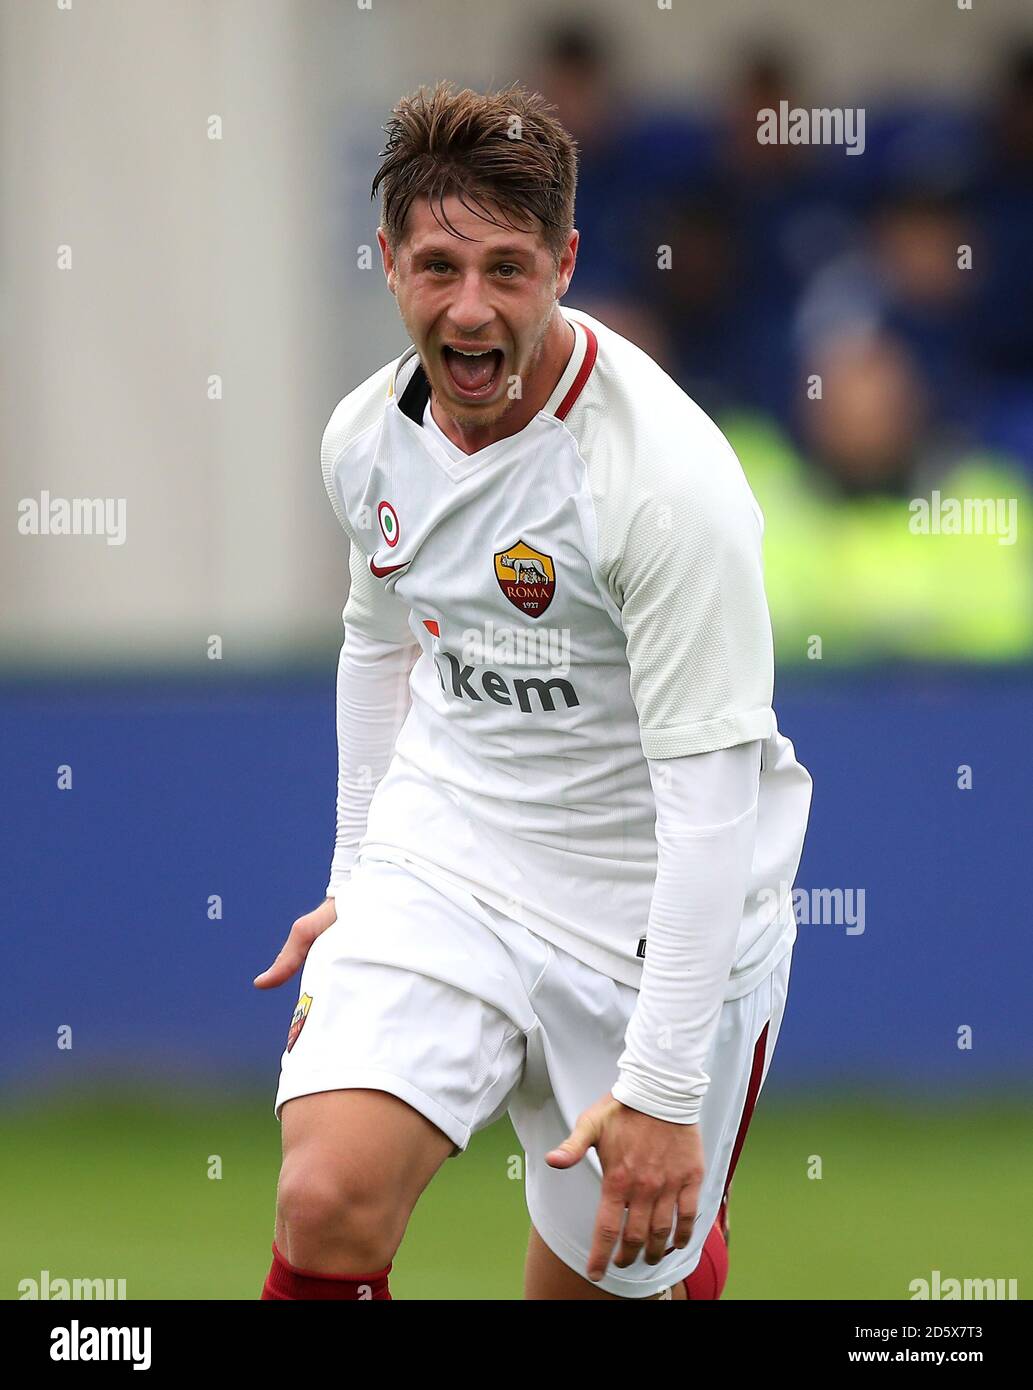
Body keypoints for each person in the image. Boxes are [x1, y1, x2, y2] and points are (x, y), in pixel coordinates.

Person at [254, 81, 812, 1302]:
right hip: (446, 859)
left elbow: (714, 809)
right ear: (389, 260)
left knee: (615, 1281)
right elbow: (374, 640)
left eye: (507, 268)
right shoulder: (365, 435)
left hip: (643, 915)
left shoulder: (663, 484)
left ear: (564, 262)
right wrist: (354, 878)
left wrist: (665, 1093)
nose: (469, 307)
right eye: (438, 264)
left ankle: (683, 1240)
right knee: (324, 1197)